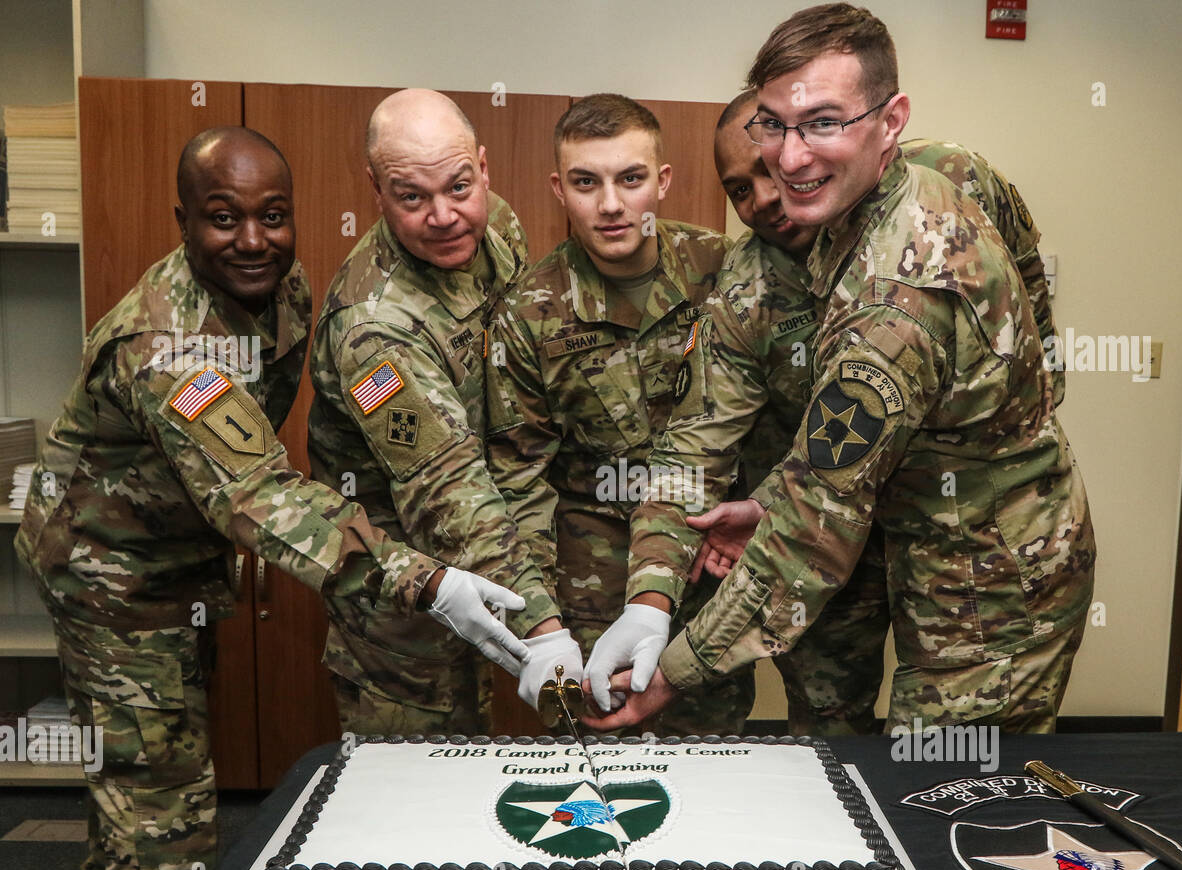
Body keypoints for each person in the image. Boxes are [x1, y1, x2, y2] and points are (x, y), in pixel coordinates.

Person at [16, 127, 528, 870]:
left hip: (180, 548)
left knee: (141, 748)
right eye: (224, 218)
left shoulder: (276, 285)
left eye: (273, 216)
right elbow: (258, 491)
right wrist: (424, 579)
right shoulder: (167, 349)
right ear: (182, 221)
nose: (253, 239)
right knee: (161, 782)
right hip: (110, 569)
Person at [585, 4, 1095, 737]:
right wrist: (649, 598)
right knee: (847, 742)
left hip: (987, 563)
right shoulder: (766, 270)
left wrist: (674, 674)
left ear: (890, 123)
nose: (785, 168)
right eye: (773, 130)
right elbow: (693, 447)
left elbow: (812, 528)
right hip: (853, 521)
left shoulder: (897, 293)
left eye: (823, 123)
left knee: (949, 790)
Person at [485, 93, 754, 734]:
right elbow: (518, 481)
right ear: (559, 188)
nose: (610, 205)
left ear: (662, 181)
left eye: (630, 179)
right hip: (589, 583)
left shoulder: (723, 270)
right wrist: (542, 627)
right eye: (587, 182)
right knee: (595, 770)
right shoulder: (530, 311)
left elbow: (764, 420)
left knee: (718, 761)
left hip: (704, 562)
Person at [309, 89, 568, 737]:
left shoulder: (497, 226)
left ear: (483, 167)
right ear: (375, 188)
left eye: (459, 186)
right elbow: (446, 487)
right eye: (412, 197)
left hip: (488, 552)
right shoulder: (375, 327)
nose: (445, 216)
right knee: (406, 803)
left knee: (477, 790)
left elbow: (516, 388)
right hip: (403, 617)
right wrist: (542, 621)